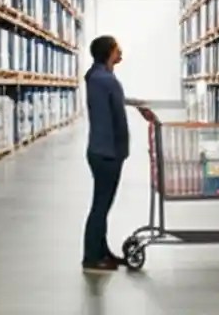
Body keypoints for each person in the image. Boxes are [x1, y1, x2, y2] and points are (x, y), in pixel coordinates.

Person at [82, 35, 130, 272]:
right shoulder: (107, 80)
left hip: (98, 150)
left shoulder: (97, 77)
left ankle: (102, 250)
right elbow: (118, 120)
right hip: (108, 152)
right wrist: (123, 150)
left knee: (102, 204)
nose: (120, 51)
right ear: (109, 52)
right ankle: (91, 257)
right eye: (117, 48)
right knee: (101, 206)